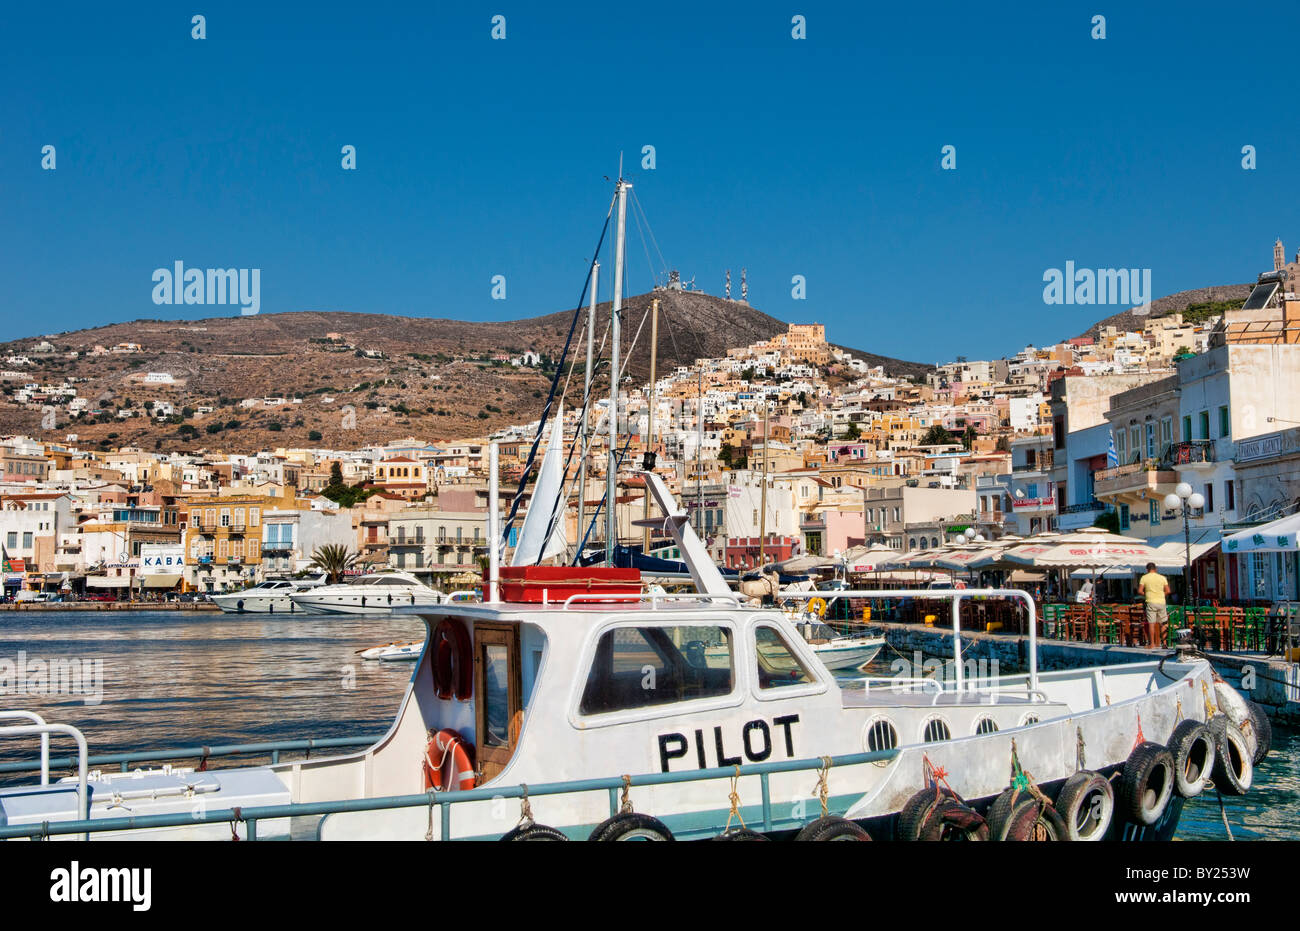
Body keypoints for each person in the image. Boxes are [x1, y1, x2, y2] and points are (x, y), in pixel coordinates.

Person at [1138, 563, 1171, 648]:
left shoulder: (1144, 578)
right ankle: (1164, 644)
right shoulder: (1162, 577)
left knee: (1151, 623)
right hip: (1161, 602)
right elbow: (1168, 591)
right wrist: (1161, 594)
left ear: (1147, 569)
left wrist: (1147, 594)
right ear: (1156, 569)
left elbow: (1140, 591)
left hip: (1151, 601)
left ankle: (1152, 644)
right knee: (1163, 623)